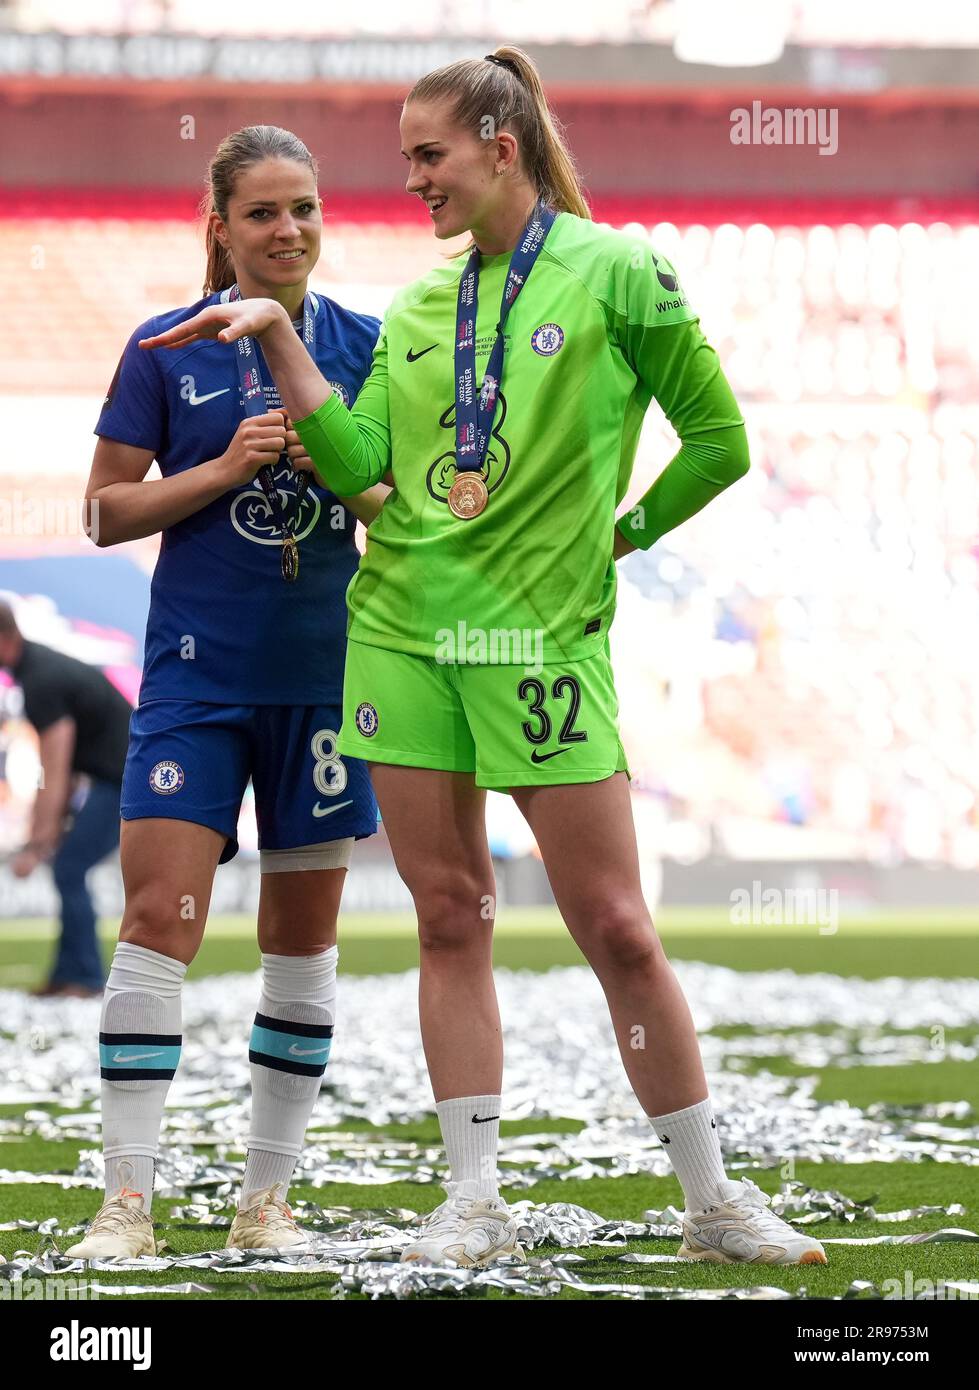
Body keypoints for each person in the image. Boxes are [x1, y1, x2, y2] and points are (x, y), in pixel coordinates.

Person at [142, 55, 827, 1269]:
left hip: (534, 644)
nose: (408, 181)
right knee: (449, 915)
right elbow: (365, 479)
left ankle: (714, 1198)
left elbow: (719, 441)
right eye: (406, 159)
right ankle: (471, 1201)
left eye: (427, 156)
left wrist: (622, 535)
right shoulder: (416, 309)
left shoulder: (620, 270)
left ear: (499, 146)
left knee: (615, 923)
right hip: (401, 634)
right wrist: (284, 344)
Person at [61, 126, 387, 1261]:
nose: (287, 229)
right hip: (195, 683)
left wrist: (339, 462)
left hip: (328, 689)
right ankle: (127, 1206)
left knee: (301, 949)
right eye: (262, 212)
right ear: (222, 226)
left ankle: (266, 1203)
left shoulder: (368, 344)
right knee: (159, 924)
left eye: (303, 207)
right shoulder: (164, 345)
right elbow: (101, 512)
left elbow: (398, 507)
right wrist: (224, 469)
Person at [0, 602, 129, 997]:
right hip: (117, 775)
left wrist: (38, 842)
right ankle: (67, 974)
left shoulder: (42, 679)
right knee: (68, 868)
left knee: (69, 869)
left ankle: (85, 977)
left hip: (127, 779)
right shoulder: (38, 668)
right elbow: (67, 767)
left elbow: (54, 770)